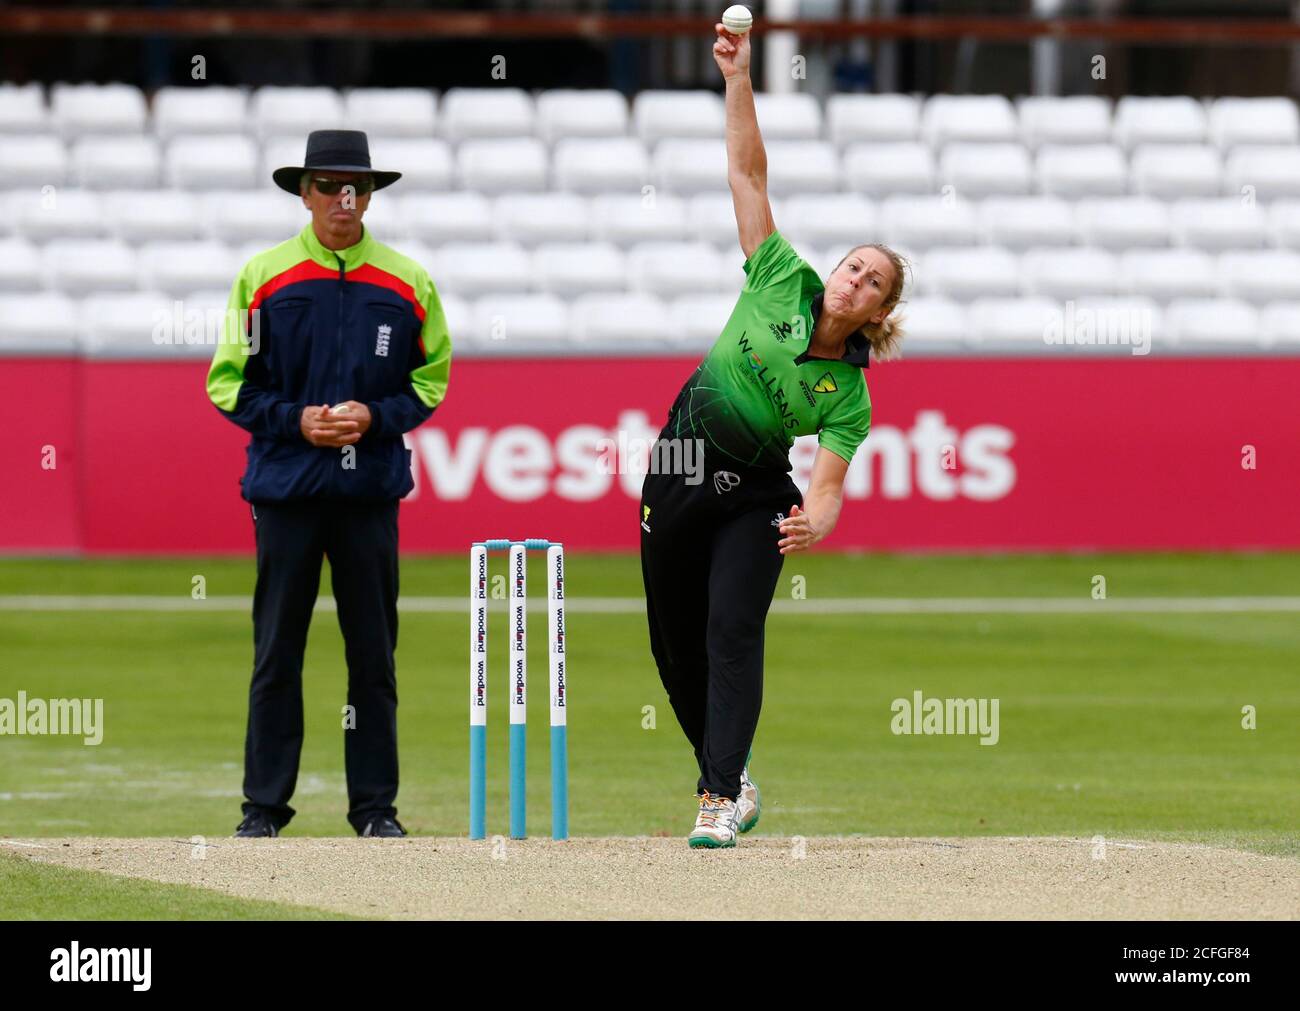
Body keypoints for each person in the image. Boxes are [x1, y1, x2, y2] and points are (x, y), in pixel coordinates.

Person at [639, 25, 908, 848]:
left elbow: (825, 483)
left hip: (756, 494)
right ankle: (733, 775)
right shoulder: (776, 272)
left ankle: (718, 795)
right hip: (678, 467)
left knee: (732, 630)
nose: (853, 278)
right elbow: (748, 170)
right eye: (853, 265)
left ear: (876, 313)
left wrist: (819, 518)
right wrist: (737, 76)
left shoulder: (848, 395)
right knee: (673, 649)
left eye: (871, 281)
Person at [206, 130, 452, 838]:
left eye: (356, 187)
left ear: (370, 196)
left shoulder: (408, 281)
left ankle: (375, 809)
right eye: (327, 186)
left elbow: (430, 379)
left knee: (373, 656)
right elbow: (227, 383)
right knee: (276, 651)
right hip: (286, 491)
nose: (342, 200)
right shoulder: (263, 276)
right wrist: (298, 421)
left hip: (368, 492)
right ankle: (263, 809)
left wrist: (376, 415)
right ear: (304, 192)